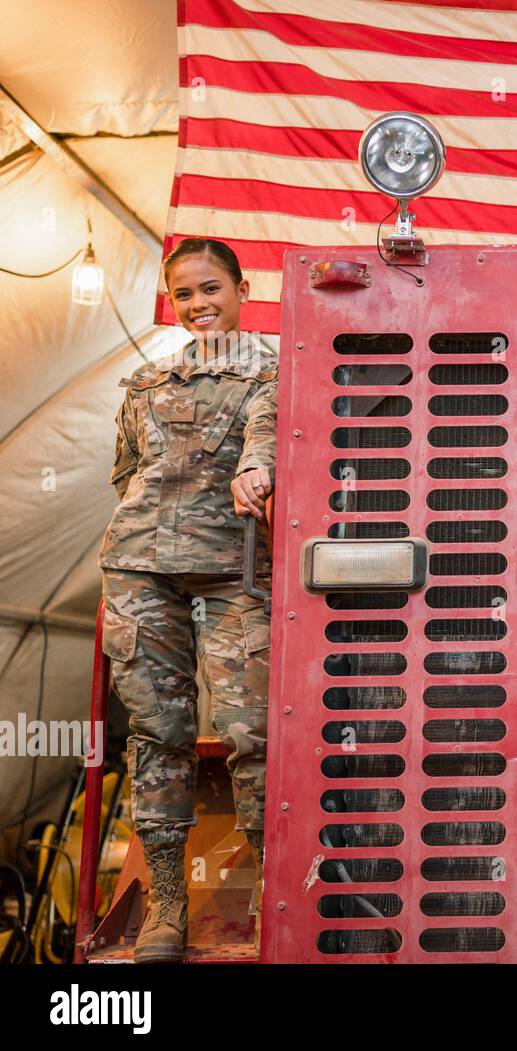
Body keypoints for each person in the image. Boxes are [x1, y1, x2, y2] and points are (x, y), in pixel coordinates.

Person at [99, 238, 277, 963]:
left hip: (235, 570)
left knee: (251, 731)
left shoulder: (274, 370)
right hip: (140, 571)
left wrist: (258, 470)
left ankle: (275, 897)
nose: (200, 305)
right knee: (156, 734)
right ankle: (166, 906)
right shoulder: (145, 381)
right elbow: (126, 475)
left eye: (212, 289)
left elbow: (268, 440)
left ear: (240, 286)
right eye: (185, 295)